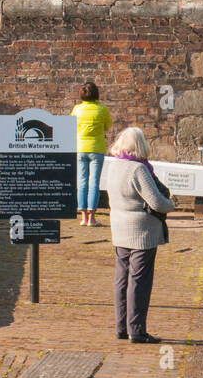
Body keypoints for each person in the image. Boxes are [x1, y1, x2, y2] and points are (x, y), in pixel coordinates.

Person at [107, 127, 174, 344]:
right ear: (141, 145)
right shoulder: (138, 170)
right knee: (139, 282)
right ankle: (137, 330)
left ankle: (121, 327)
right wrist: (171, 205)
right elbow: (157, 202)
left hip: (119, 229)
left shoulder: (114, 165)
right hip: (141, 233)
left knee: (121, 280)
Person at [71, 81, 112, 226]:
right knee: (94, 182)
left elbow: (72, 127)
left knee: (82, 182)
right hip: (97, 148)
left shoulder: (76, 109)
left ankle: (83, 217)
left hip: (80, 148)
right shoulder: (102, 110)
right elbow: (107, 126)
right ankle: (92, 218)